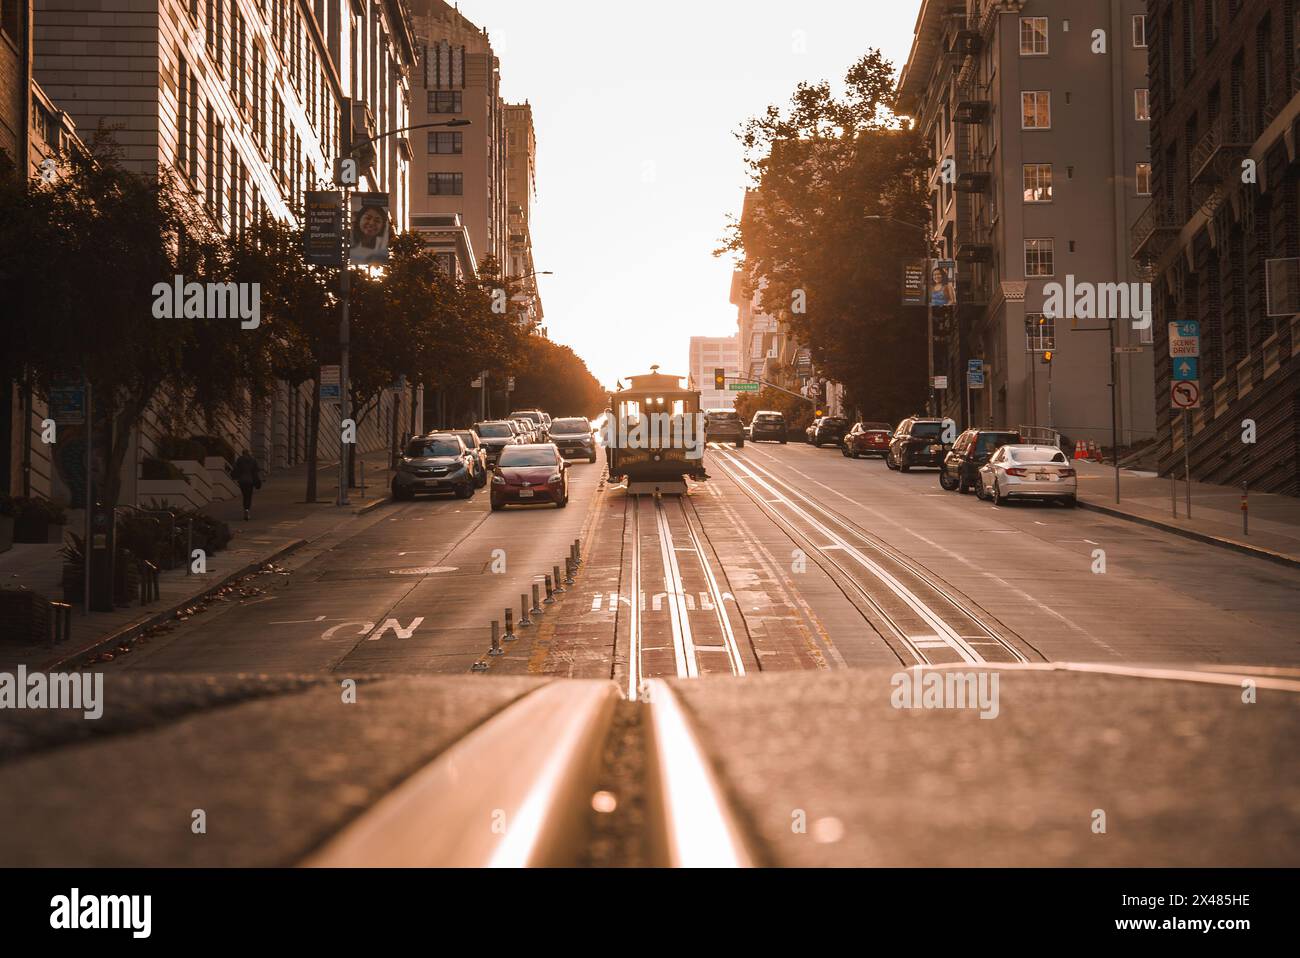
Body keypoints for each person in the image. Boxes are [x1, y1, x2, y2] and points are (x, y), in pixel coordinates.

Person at [232, 449, 261, 521]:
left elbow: (236, 469)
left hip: (242, 481)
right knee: (249, 496)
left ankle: (246, 508)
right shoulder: (253, 460)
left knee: (245, 495)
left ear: (243, 453)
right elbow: (256, 471)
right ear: (248, 453)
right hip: (250, 481)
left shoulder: (239, 459)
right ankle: (247, 510)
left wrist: (237, 476)